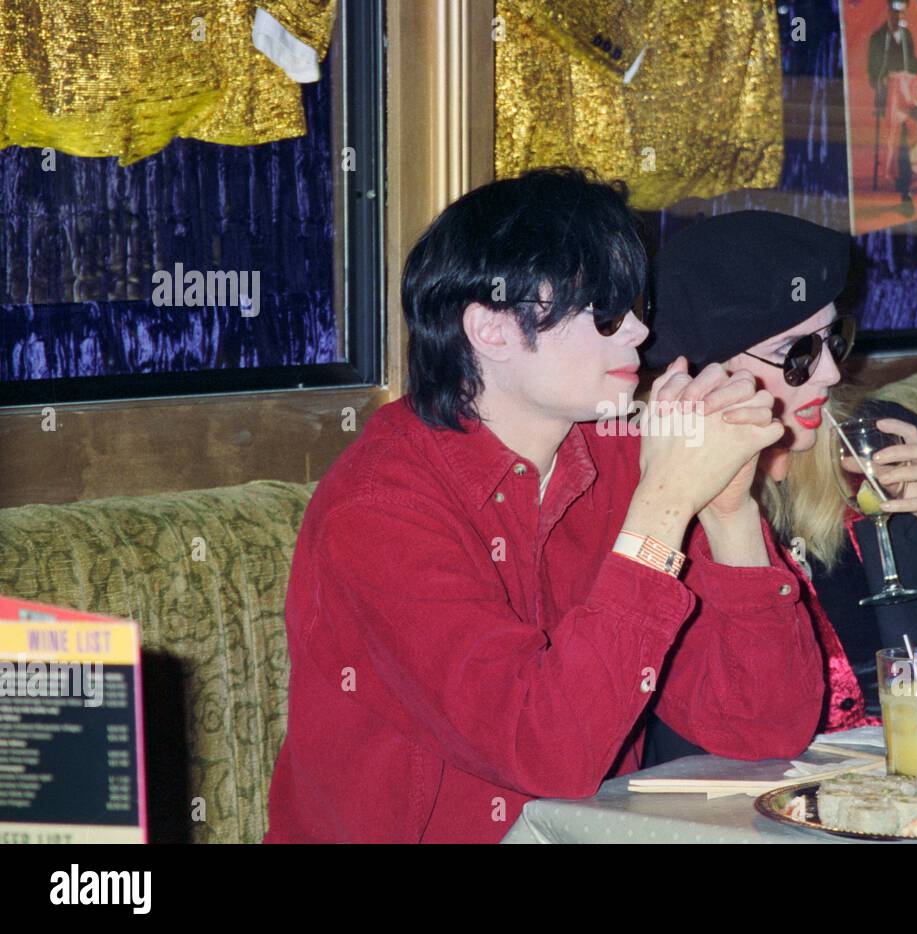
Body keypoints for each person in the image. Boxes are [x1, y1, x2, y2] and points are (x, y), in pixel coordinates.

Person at [263, 169, 826, 843]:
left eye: (637, 307)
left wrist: (729, 510)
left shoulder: (617, 454)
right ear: (492, 329)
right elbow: (548, 750)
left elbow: (764, 727)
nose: (641, 333)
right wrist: (666, 503)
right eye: (608, 314)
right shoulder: (380, 509)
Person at [639, 210, 917, 767]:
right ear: (705, 371)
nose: (829, 373)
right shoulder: (654, 507)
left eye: (833, 340)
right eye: (795, 354)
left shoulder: (877, 456)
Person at [867, 0, 917, 214]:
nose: (899, 17)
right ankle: (904, 191)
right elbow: (872, 76)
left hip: (909, 94)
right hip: (890, 98)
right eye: (896, 12)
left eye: (903, 13)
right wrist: (882, 81)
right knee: (901, 131)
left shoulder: (906, 36)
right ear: (888, 11)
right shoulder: (877, 39)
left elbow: (912, 67)